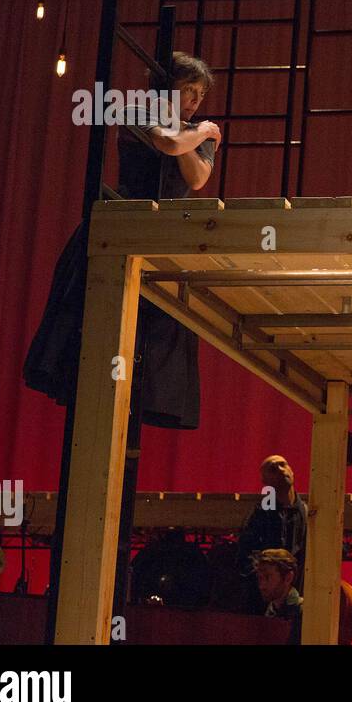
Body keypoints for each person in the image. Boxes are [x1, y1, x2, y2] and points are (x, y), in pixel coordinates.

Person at [23, 52, 221, 428]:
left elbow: (196, 178)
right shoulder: (136, 112)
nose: (194, 101)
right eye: (187, 90)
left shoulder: (194, 132)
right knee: (93, 323)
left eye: (200, 94)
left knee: (157, 334)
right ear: (166, 87)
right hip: (124, 222)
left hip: (167, 236)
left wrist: (191, 134)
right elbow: (167, 144)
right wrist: (202, 131)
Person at [236, 455, 308, 613]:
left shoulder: (306, 512)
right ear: (265, 481)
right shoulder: (261, 513)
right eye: (273, 469)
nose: (281, 470)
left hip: (298, 600)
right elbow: (245, 553)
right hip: (266, 603)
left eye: (284, 465)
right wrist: (266, 578)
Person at [253, 548, 303, 645]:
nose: (261, 585)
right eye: (259, 578)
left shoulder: (303, 613)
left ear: (288, 577)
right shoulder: (271, 610)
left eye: (268, 577)